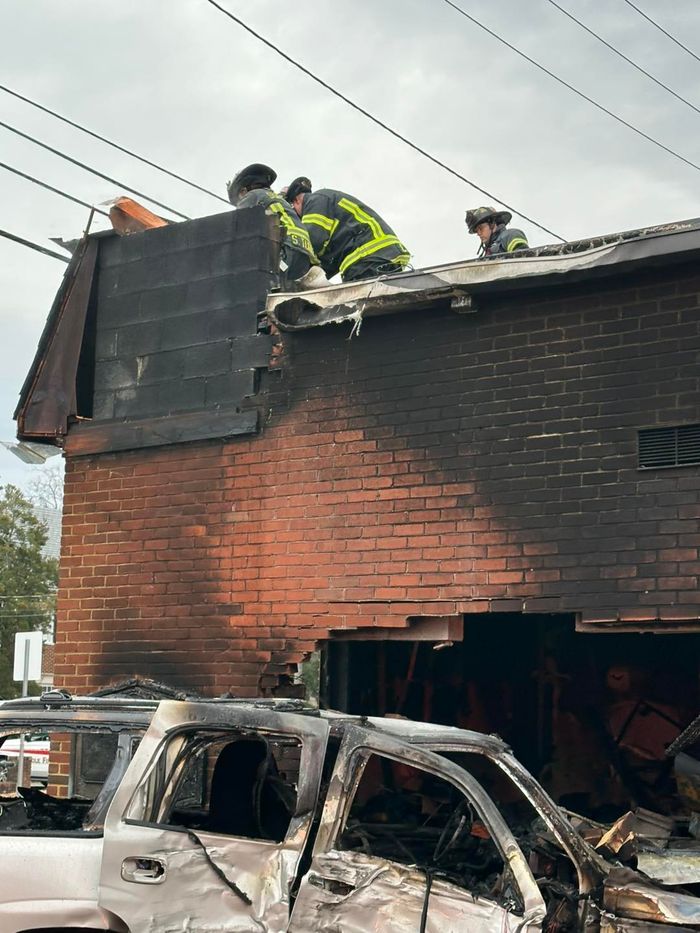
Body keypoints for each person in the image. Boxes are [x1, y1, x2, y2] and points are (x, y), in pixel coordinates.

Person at [285, 176, 411, 282]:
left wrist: (289, 273)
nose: (299, 219)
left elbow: (310, 242)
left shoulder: (315, 200)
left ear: (295, 201)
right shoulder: (328, 204)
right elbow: (328, 264)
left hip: (369, 257)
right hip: (378, 257)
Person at [226, 163, 327, 289]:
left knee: (264, 288)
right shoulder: (276, 199)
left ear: (243, 191)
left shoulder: (252, 196)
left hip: (286, 253)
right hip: (305, 257)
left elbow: (235, 227)